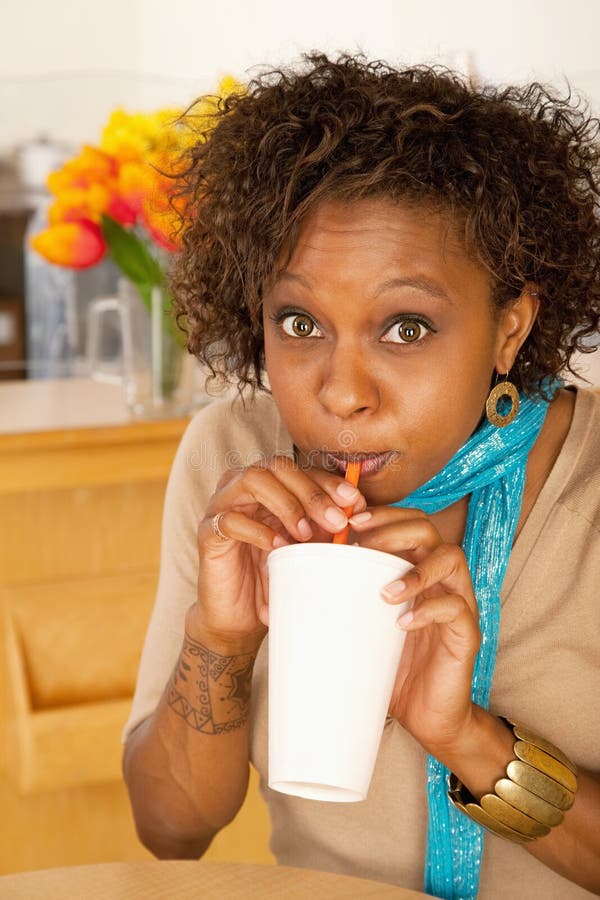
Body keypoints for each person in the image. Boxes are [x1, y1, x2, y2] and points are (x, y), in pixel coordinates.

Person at [122, 54, 600, 898]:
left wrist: (465, 737)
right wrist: (222, 638)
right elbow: (171, 831)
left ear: (510, 327)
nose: (340, 394)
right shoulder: (232, 461)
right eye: (300, 321)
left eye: (406, 327)